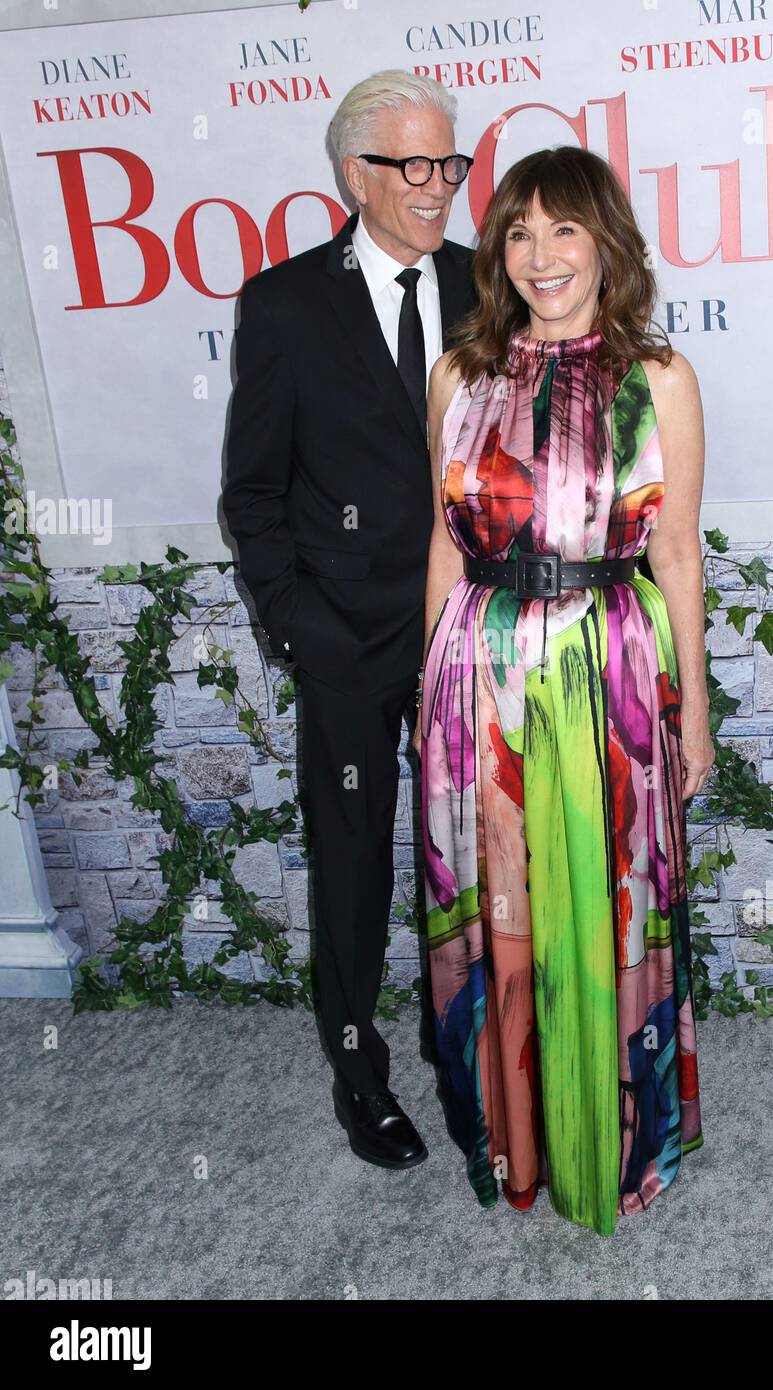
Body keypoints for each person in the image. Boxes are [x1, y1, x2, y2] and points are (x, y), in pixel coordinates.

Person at [415, 146, 713, 1236]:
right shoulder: (458, 375)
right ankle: (516, 1143)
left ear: (606, 244)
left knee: (604, 905)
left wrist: (696, 710)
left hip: (607, 664)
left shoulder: (658, 377)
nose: (540, 257)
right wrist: (423, 701)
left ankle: (613, 1143)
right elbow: (443, 549)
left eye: (564, 231)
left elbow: (675, 552)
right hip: (476, 669)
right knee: (499, 911)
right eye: (518, 233)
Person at [222, 71, 476, 1170]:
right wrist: (299, 628)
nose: (436, 189)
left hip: (474, 627)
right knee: (354, 865)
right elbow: (254, 494)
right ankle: (358, 1077)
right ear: (353, 175)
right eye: (411, 166)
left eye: (448, 164)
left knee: (471, 860)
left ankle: (465, 1051)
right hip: (347, 638)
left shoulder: (489, 284)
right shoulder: (283, 305)